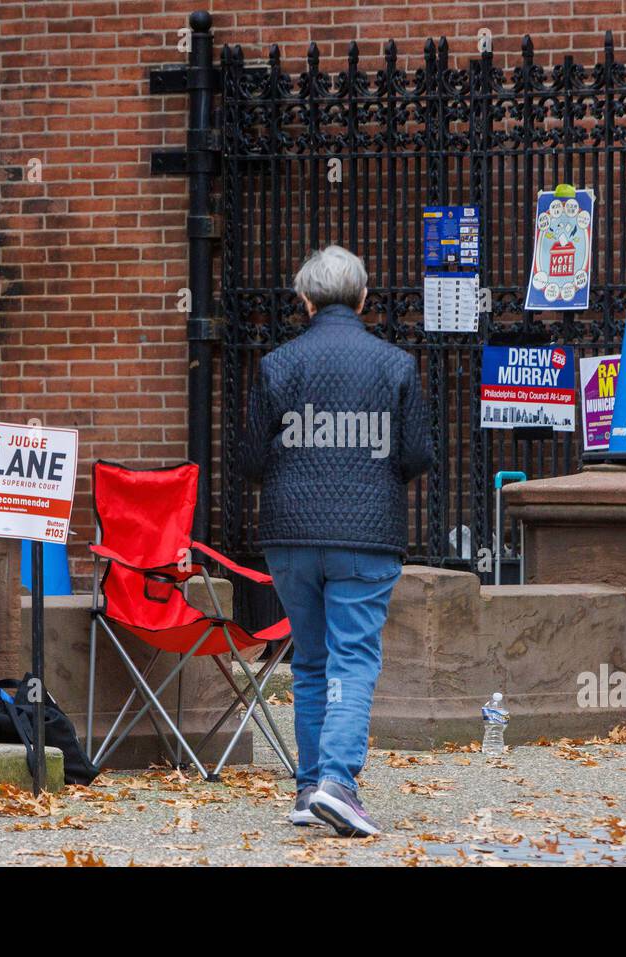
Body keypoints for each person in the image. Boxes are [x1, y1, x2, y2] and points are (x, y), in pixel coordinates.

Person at [243, 245, 433, 836]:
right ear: (363, 297)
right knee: (352, 658)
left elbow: (251, 459)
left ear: (304, 300)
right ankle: (339, 785)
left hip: (290, 535)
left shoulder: (277, 365)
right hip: (366, 535)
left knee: (310, 660)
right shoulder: (396, 365)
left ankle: (308, 787)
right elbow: (417, 454)